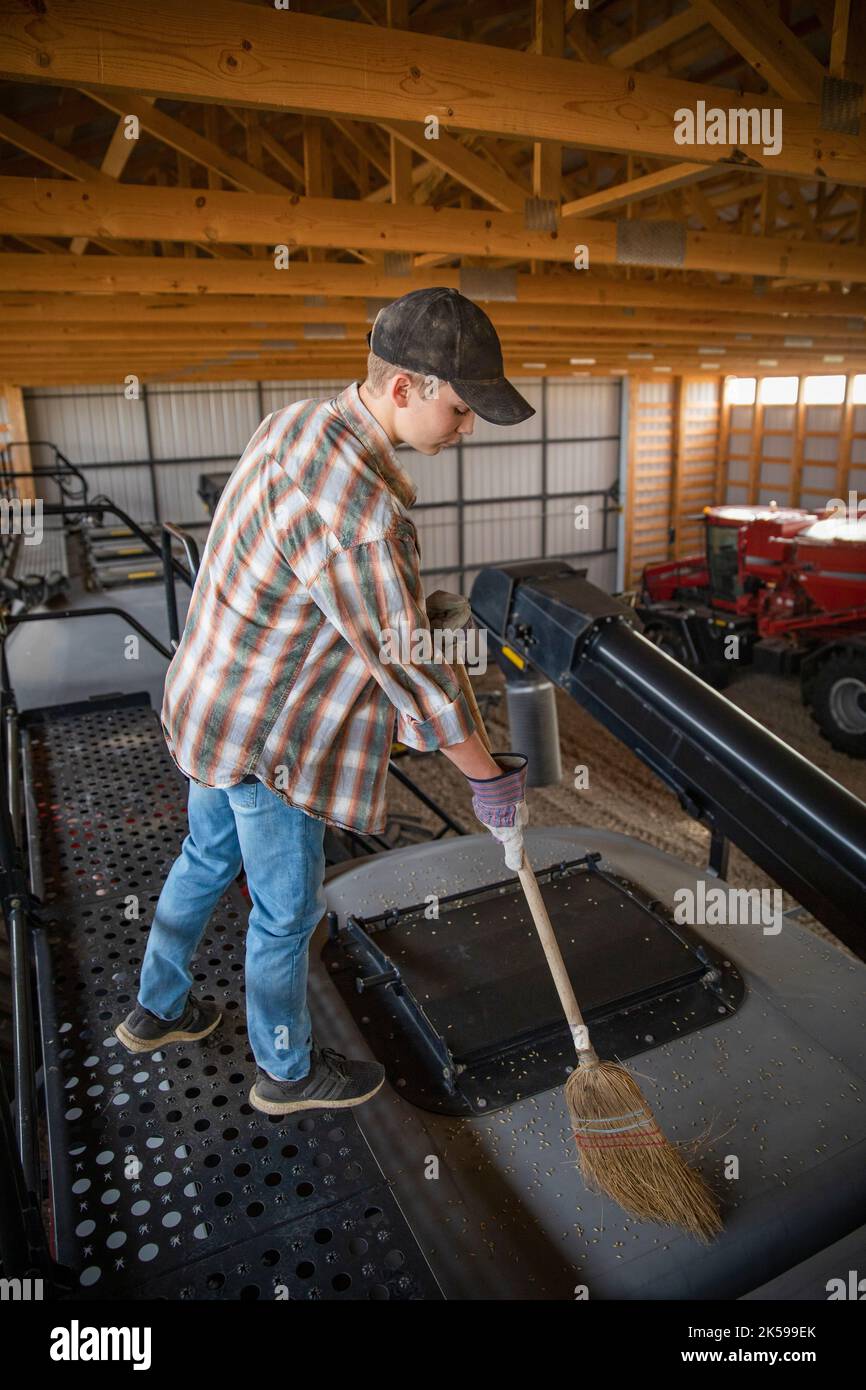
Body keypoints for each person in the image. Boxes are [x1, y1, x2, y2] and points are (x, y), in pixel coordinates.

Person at [115, 287, 534, 1116]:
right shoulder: (364, 513)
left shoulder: (298, 422)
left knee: (204, 859)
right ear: (405, 387)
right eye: (458, 407)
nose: (467, 427)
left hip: (208, 703)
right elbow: (413, 675)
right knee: (285, 913)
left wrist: (414, 610)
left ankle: (156, 1010)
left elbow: (322, 593)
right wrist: (488, 778)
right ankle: (285, 1072)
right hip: (268, 741)